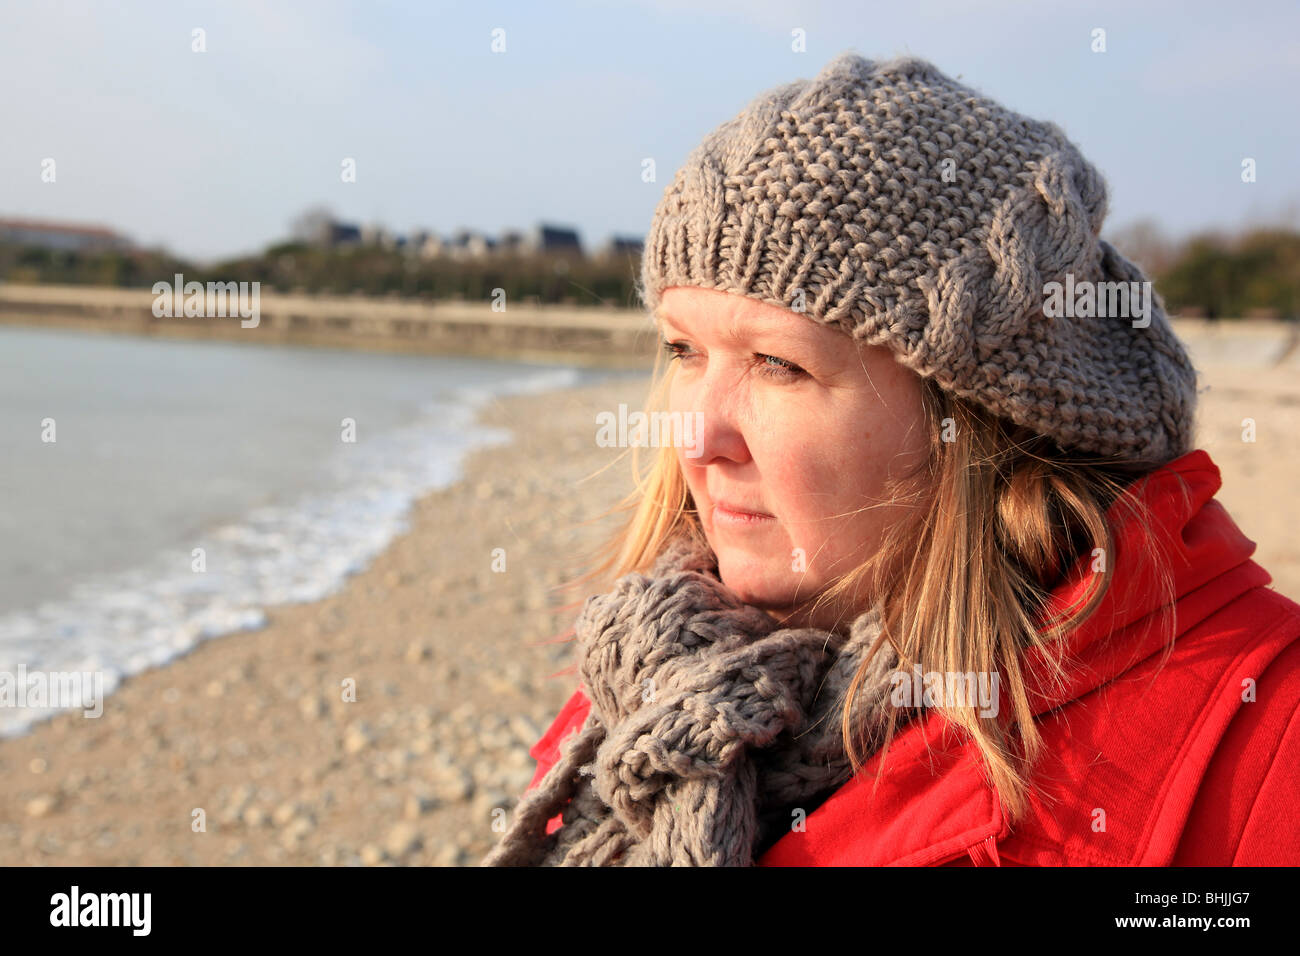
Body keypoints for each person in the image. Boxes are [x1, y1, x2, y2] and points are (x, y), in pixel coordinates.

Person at [481, 52, 1300, 866]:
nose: (695, 438)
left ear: (978, 418)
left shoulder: (1270, 746)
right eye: (685, 350)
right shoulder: (654, 668)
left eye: (779, 364)